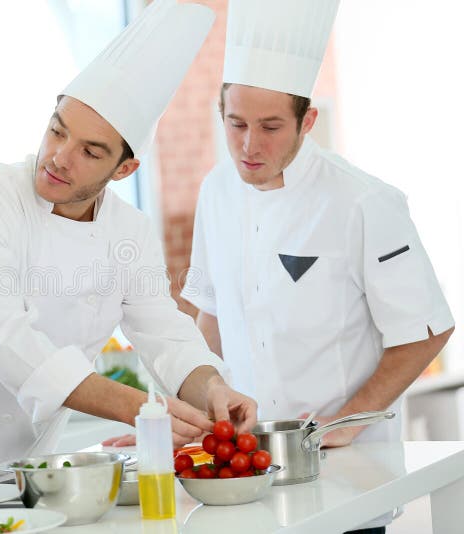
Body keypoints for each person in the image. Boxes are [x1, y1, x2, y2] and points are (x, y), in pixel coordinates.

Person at [0, 0, 257, 486]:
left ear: (125, 169)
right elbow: (6, 339)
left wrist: (212, 387)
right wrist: (141, 408)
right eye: (57, 131)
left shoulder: (128, 232)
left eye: (90, 151)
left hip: (12, 481)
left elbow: (165, 334)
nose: (59, 158)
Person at [180, 0, 454, 531]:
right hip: (244, 475)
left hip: (346, 475)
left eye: (271, 126)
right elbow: (210, 317)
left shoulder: (362, 202)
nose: (249, 146)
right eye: (235, 124)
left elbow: (426, 330)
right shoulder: (215, 191)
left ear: (308, 120)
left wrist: (346, 423)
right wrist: (191, 405)